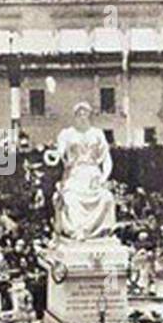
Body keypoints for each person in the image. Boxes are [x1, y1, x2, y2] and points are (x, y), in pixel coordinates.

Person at [51, 103, 117, 241]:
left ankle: (102, 232)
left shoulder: (97, 133)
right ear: (75, 116)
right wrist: (57, 155)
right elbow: (60, 151)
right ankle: (77, 231)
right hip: (74, 174)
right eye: (79, 114)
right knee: (71, 198)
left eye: (85, 113)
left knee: (107, 198)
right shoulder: (66, 133)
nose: (82, 117)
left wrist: (103, 179)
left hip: (93, 175)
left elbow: (107, 160)